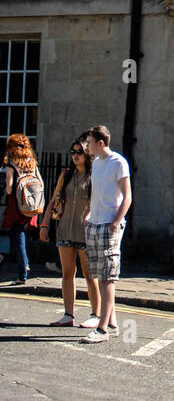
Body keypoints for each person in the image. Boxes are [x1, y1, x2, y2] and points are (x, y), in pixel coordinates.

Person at [38, 136, 101, 327]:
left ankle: (95, 315)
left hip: (85, 232)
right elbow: (53, 200)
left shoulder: (94, 176)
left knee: (89, 275)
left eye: (79, 152)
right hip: (65, 229)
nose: (75, 156)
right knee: (67, 273)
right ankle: (68, 315)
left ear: (87, 154)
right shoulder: (66, 175)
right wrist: (44, 224)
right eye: (72, 152)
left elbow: (99, 203)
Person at [81, 125, 131, 343]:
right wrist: (90, 214)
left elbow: (127, 197)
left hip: (109, 225)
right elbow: (98, 193)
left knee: (107, 277)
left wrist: (116, 222)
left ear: (100, 143)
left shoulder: (118, 163)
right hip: (94, 223)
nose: (86, 146)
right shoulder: (97, 163)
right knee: (98, 275)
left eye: (89, 142)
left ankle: (102, 330)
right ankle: (111, 321)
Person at [2, 134, 43, 286]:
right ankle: (24, 263)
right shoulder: (31, 162)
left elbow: (8, 188)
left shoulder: (11, 164)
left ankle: (22, 274)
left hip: (16, 205)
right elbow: (41, 183)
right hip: (31, 204)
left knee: (17, 236)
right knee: (21, 234)